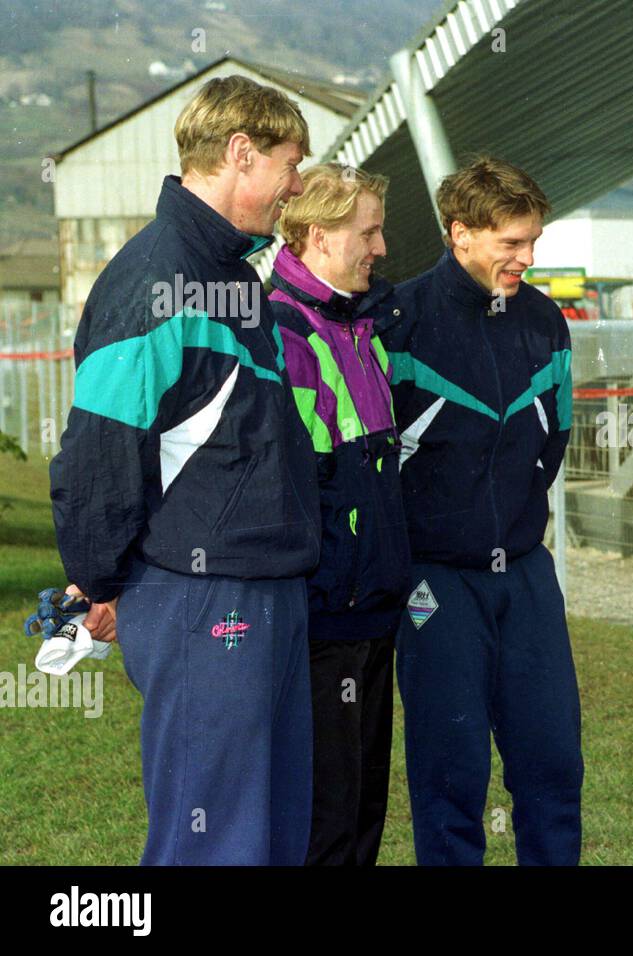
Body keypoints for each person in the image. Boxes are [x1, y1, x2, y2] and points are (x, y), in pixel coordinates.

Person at [49, 75, 320, 865]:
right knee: (217, 845)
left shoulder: (236, 278)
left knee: (270, 837)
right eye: (289, 164)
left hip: (266, 584)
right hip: (205, 595)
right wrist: (98, 582)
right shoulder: (156, 280)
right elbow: (97, 455)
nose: (295, 187)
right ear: (241, 153)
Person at [379, 156, 581, 866]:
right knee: (450, 776)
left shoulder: (545, 321)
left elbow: (553, 438)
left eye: (532, 243)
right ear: (460, 233)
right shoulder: (397, 321)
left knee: (553, 767)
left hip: (525, 577)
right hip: (436, 584)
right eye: (511, 245)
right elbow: (375, 462)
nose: (527, 259)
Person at [269, 162, 408, 866]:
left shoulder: (362, 324)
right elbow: (288, 485)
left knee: (362, 816)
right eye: (370, 231)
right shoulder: (283, 335)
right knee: (325, 822)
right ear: (316, 235)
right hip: (321, 620)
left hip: (371, 610)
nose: (382, 248)